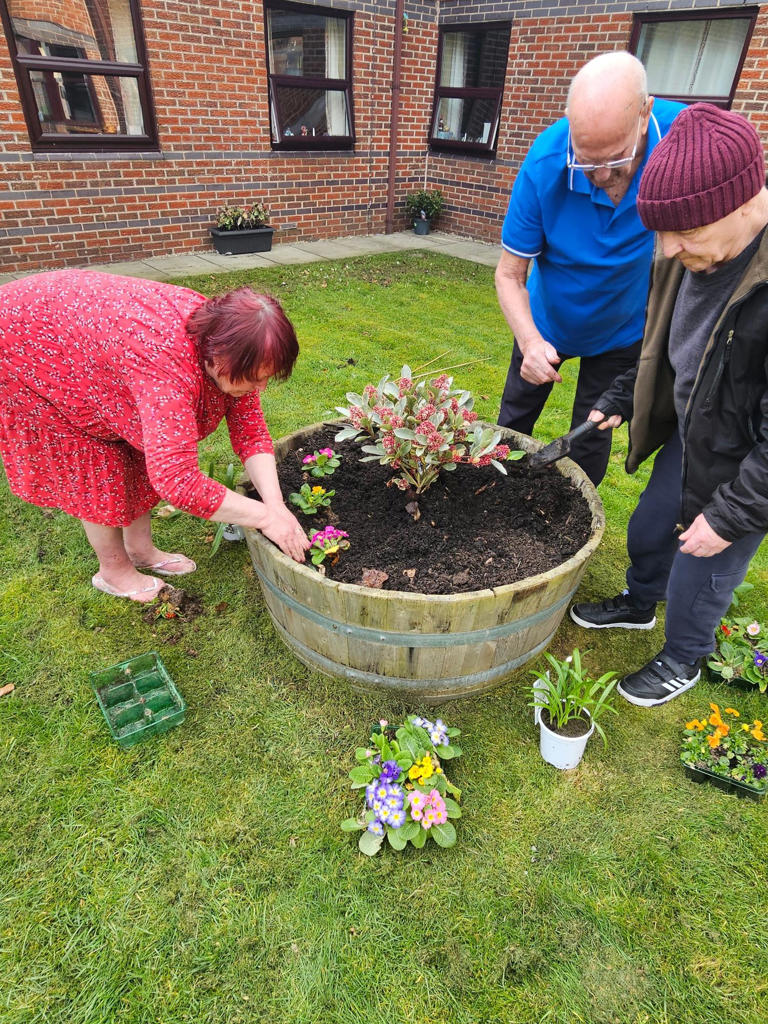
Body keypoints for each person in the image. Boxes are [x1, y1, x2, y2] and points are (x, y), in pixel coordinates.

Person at [569, 102, 768, 707]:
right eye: (662, 230)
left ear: (747, 203)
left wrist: (731, 516)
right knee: (653, 527)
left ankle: (684, 656)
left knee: (703, 567)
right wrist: (620, 398)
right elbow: (666, 345)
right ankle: (639, 602)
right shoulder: (690, 251)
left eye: (687, 233)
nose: (669, 248)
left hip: (746, 462)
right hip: (695, 431)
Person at [0, 271, 311, 602]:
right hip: (30, 340)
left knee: (138, 449)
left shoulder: (231, 340)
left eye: (267, 378)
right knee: (94, 459)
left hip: (89, 326)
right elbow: (178, 481)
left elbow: (250, 431)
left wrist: (275, 505)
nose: (261, 388)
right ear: (218, 358)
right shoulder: (165, 370)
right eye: (255, 378)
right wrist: (264, 517)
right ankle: (114, 572)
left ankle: (140, 551)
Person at [495, 52, 683, 485]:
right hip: (546, 324)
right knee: (511, 424)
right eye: (586, 160)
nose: (600, 175)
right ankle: (492, 502)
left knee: (592, 435)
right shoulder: (544, 164)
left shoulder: (681, 136)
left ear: (644, 114)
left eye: (614, 160)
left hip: (621, 331)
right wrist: (529, 341)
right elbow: (509, 274)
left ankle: (572, 530)